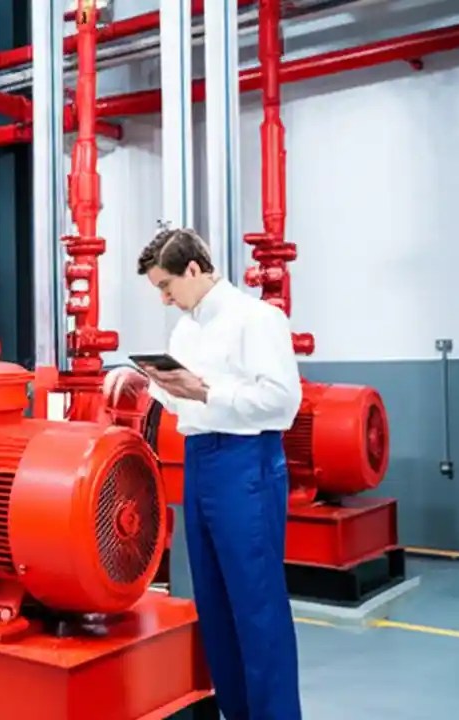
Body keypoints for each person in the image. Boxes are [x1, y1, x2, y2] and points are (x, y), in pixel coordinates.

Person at [135, 227, 303, 720]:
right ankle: (235, 711)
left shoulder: (257, 319)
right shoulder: (185, 329)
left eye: (166, 286)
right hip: (201, 460)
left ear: (193, 269)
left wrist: (208, 392)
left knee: (257, 604)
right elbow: (179, 397)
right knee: (212, 601)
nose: (164, 299)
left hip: (246, 462)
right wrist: (149, 383)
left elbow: (282, 402)